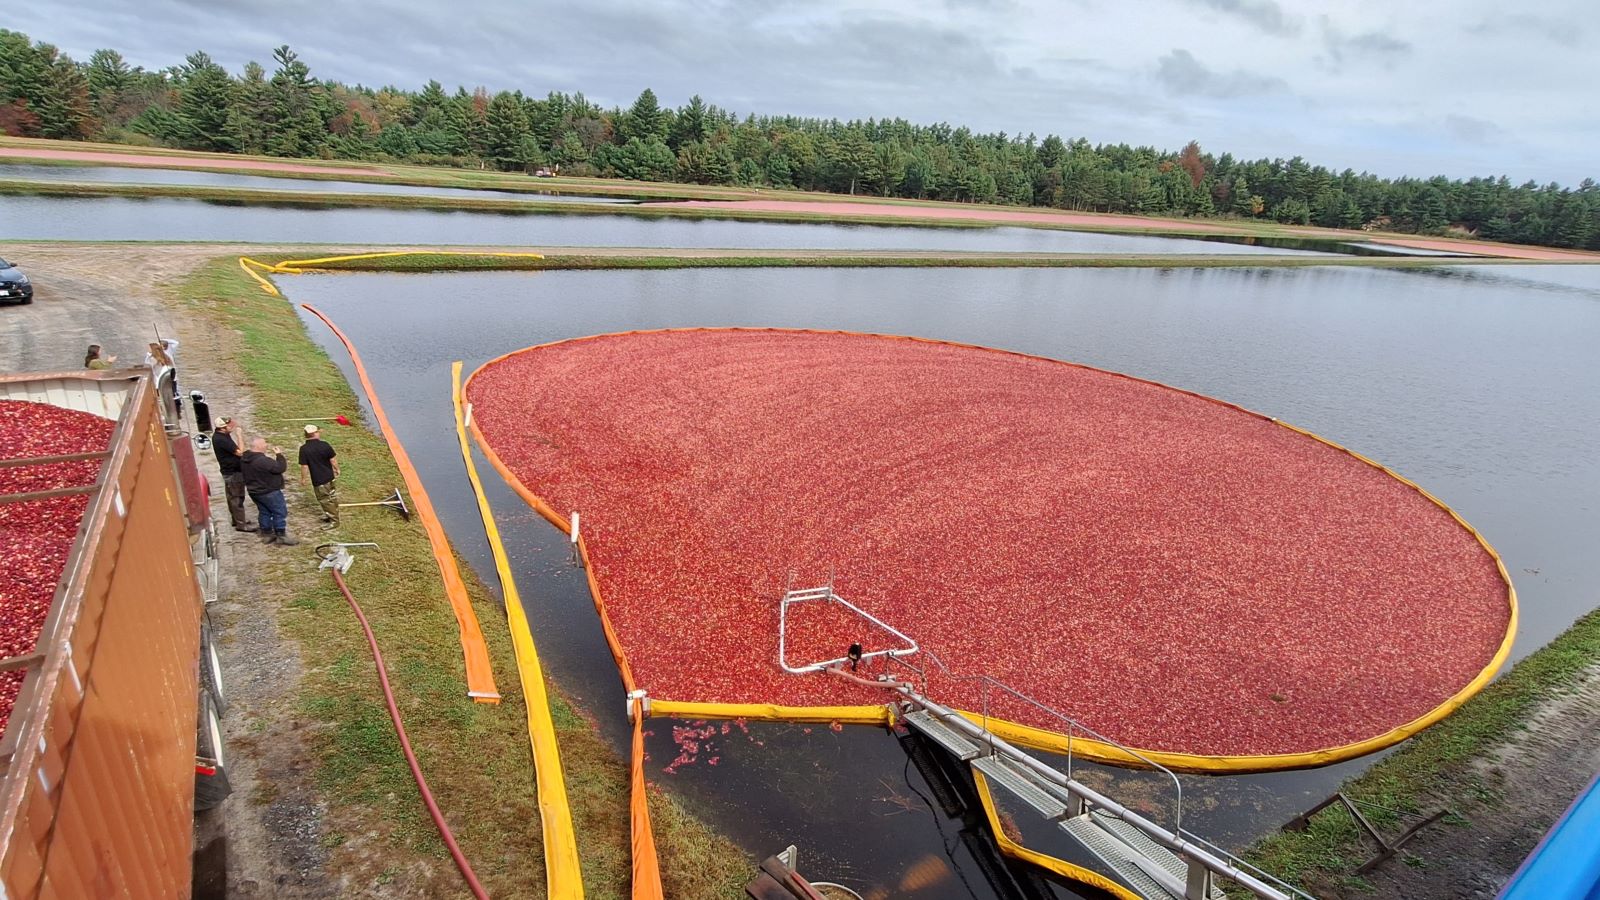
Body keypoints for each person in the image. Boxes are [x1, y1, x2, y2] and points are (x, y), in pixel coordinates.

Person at [240, 436, 299, 546]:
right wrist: (279, 455)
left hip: (254, 491)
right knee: (280, 512)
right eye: (264, 444)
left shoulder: (244, 458)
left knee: (264, 511)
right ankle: (281, 535)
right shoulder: (263, 461)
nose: (266, 445)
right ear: (258, 446)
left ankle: (266, 533)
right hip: (269, 491)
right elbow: (280, 468)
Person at [211, 418, 257, 532]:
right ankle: (241, 525)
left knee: (232, 497)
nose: (231, 427)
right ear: (222, 428)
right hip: (233, 473)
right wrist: (239, 436)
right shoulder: (222, 440)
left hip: (229, 471)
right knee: (237, 498)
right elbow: (240, 452)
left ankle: (237, 520)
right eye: (228, 426)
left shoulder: (221, 436)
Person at [298, 424, 341, 527]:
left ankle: (334, 521)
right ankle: (333, 516)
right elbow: (333, 460)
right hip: (330, 477)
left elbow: (304, 466)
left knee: (325, 500)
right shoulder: (325, 445)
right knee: (332, 497)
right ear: (315, 434)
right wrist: (337, 469)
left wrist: (303, 479)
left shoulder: (304, 449)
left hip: (319, 479)